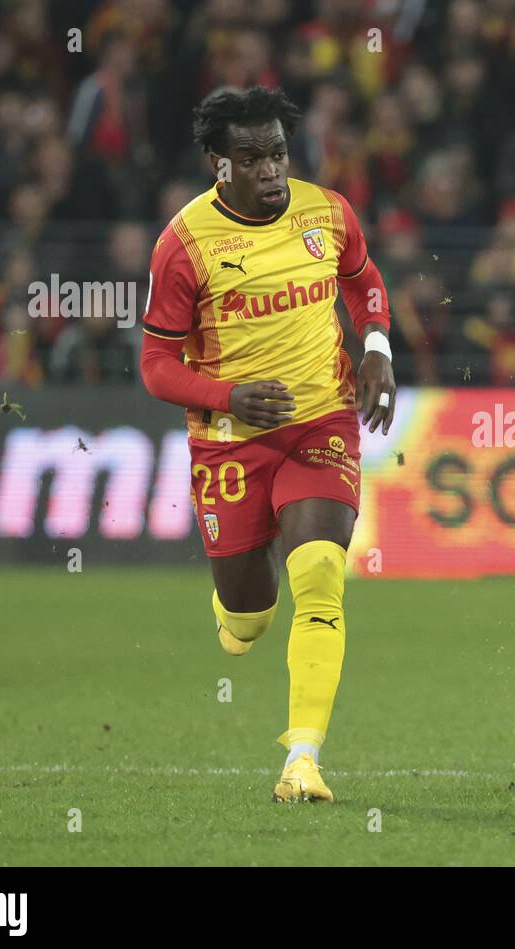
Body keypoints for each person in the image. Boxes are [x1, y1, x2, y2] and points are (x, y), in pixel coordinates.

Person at [139, 87, 395, 802]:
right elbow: (156, 366)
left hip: (321, 422)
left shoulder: (328, 212)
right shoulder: (184, 245)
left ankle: (302, 761)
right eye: (251, 159)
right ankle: (235, 615)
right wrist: (228, 397)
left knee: (320, 575)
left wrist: (376, 345)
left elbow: (365, 283)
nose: (270, 170)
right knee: (249, 616)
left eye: (277, 153)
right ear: (218, 165)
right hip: (230, 442)